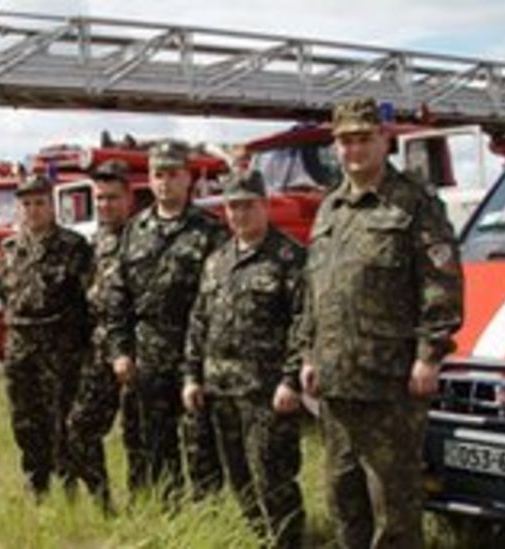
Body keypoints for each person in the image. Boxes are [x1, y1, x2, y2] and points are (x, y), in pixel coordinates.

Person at [299, 97, 464, 549]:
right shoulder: (329, 208)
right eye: (345, 140)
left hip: (389, 383)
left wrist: (429, 356)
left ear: (384, 140)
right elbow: (316, 290)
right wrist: (308, 354)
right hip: (335, 384)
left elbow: (442, 284)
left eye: (363, 139)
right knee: (343, 499)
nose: (354, 149)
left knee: (393, 509)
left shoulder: (414, 202)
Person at [182, 170, 306, 548]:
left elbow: (305, 324)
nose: (239, 215)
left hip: (266, 394)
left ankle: (287, 543)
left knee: (274, 479)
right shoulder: (217, 261)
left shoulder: (290, 258)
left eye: (247, 206)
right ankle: (258, 538)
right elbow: (199, 321)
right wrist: (191, 376)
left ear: (264, 205)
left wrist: (291, 379)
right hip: (221, 391)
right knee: (239, 477)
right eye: (232, 207)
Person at [104, 140, 227, 502]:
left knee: (201, 445)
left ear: (188, 178)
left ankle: (209, 521)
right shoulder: (134, 229)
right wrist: (120, 351)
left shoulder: (211, 230)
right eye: (159, 174)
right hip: (148, 355)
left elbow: (220, 300)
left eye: (174, 174)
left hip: (196, 355)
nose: (165, 182)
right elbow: (118, 297)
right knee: (155, 444)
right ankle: (166, 518)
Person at [0, 173, 93, 499]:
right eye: (26, 204)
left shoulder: (73, 247)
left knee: (63, 419)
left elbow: (87, 299)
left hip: (60, 350)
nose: (33, 210)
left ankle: (68, 486)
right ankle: (35, 486)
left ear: (53, 206)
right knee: (24, 419)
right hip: (20, 350)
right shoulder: (9, 249)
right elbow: (4, 296)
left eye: (39, 203)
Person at [66, 160, 139, 511]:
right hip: (100, 352)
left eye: (112, 197)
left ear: (129, 198)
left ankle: (149, 508)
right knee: (80, 428)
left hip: (139, 352)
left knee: (138, 439)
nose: (106, 205)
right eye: (100, 199)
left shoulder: (144, 238)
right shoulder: (95, 243)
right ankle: (104, 505)